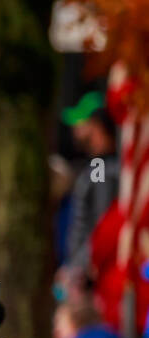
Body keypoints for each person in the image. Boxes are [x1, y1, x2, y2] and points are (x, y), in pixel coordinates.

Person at [62, 94, 120, 271]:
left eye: (80, 122)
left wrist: (77, 268)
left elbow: (99, 222)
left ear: (95, 124)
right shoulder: (101, 164)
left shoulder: (100, 165)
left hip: (92, 271)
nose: (74, 129)